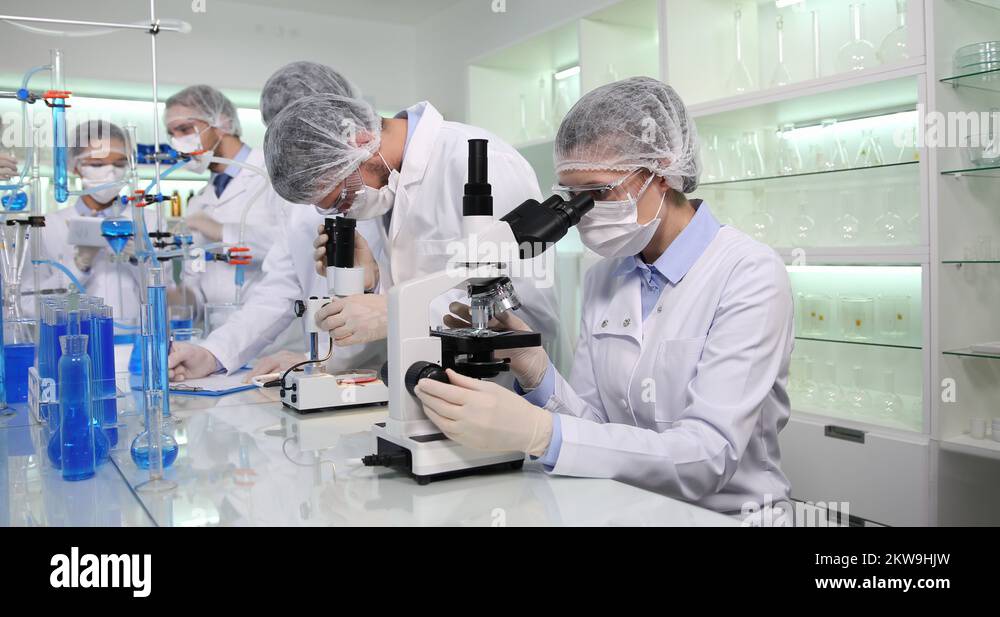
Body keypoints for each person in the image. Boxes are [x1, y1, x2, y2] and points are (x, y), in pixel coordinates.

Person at [412, 77, 794, 522]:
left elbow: (707, 456)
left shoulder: (749, 273)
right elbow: (595, 427)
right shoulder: (605, 276)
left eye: (600, 192)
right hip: (628, 508)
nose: (584, 213)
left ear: (663, 168)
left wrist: (540, 433)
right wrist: (535, 369)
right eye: (574, 197)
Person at [168, 91, 563, 383]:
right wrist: (374, 283)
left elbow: (527, 306)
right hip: (429, 389)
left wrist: (393, 310)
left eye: (340, 197)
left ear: (358, 142)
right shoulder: (384, 183)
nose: (344, 210)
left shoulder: (481, 161)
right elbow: (426, 288)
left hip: (503, 391)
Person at [166, 63, 387, 380]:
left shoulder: (383, 195)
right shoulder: (301, 206)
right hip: (324, 368)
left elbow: (396, 305)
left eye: (307, 141)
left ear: (343, 124)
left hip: (380, 374)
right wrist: (213, 353)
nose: (299, 160)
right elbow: (279, 288)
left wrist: (324, 360)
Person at [163, 85, 288, 335]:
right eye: (171, 133)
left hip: (275, 336)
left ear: (222, 122)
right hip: (218, 337)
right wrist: (171, 293)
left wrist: (220, 231)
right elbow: (197, 282)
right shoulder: (198, 202)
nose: (177, 141)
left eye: (185, 129)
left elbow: (293, 248)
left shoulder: (275, 174)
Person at [23, 120, 154, 322]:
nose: (111, 172)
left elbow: (167, 300)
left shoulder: (149, 221)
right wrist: (78, 265)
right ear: (75, 166)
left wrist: (141, 261)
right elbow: (30, 306)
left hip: (133, 345)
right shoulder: (46, 227)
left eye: (119, 163)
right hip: (72, 344)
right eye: (97, 164)